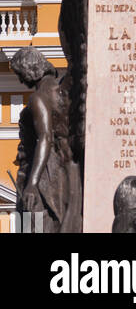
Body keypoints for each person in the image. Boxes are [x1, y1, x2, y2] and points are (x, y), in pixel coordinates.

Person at [10, 49, 82, 233]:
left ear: (29, 69)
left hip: (42, 171)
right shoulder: (62, 93)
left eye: (20, 74)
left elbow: (45, 137)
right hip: (64, 171)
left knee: (32, 224)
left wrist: (32, 183)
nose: (20, 81)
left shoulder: (39, 97)